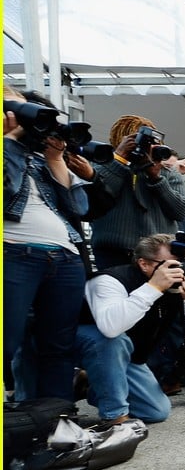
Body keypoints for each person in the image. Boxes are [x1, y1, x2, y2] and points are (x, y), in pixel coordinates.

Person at [75, 233, 185, 425]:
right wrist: (153, 288)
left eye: (182, 265)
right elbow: (110, 328)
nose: (180, 272)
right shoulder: (109, 280)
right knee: (115, 340)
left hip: (127, 357)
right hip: (80, 347)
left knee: (156, 411)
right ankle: (115, 417)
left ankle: (89, 384)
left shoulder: (174, 287)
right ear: (144, 264)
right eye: (171, 266)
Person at [3, 89, 89, 401]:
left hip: (64, 258)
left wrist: (55, 158)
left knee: (57, 349)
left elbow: (78, 205)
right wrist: (9, 141)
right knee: (6, 341)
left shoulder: (42, 160)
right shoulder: (7, 149)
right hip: (14, 252)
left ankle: (56, 421)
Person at [87, 114, 185, 270]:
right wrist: (118, 160)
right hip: (114, 252)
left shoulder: (168, 173)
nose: (146, 147)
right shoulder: (103, 165)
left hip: (158, 254)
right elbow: (94, 196)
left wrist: (156, 178)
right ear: (122, 140)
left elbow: (181, 212)